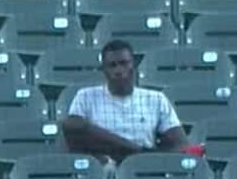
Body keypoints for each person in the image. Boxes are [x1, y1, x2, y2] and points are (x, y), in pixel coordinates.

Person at [61, 40, 193, 165]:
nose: (118, 70)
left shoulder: (156, 99)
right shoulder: (86, 96)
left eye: (124, 63)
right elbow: (72, 126)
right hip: (104, 166)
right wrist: (137, 151)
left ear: (134, 64)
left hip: (144, 168)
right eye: (112, 65)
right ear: (104, 70)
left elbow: (181, 144)